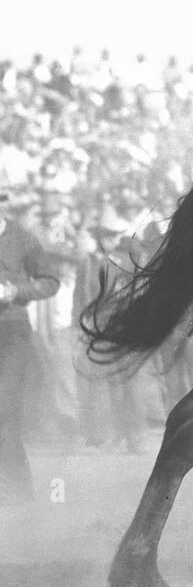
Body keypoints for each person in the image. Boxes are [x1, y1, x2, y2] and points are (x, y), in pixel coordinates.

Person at [0, 183, 61, 501]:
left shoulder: (23, 239)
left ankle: (18, 492)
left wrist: (16, 291)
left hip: (12, 334)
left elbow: (52, 282)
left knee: (4, 412)